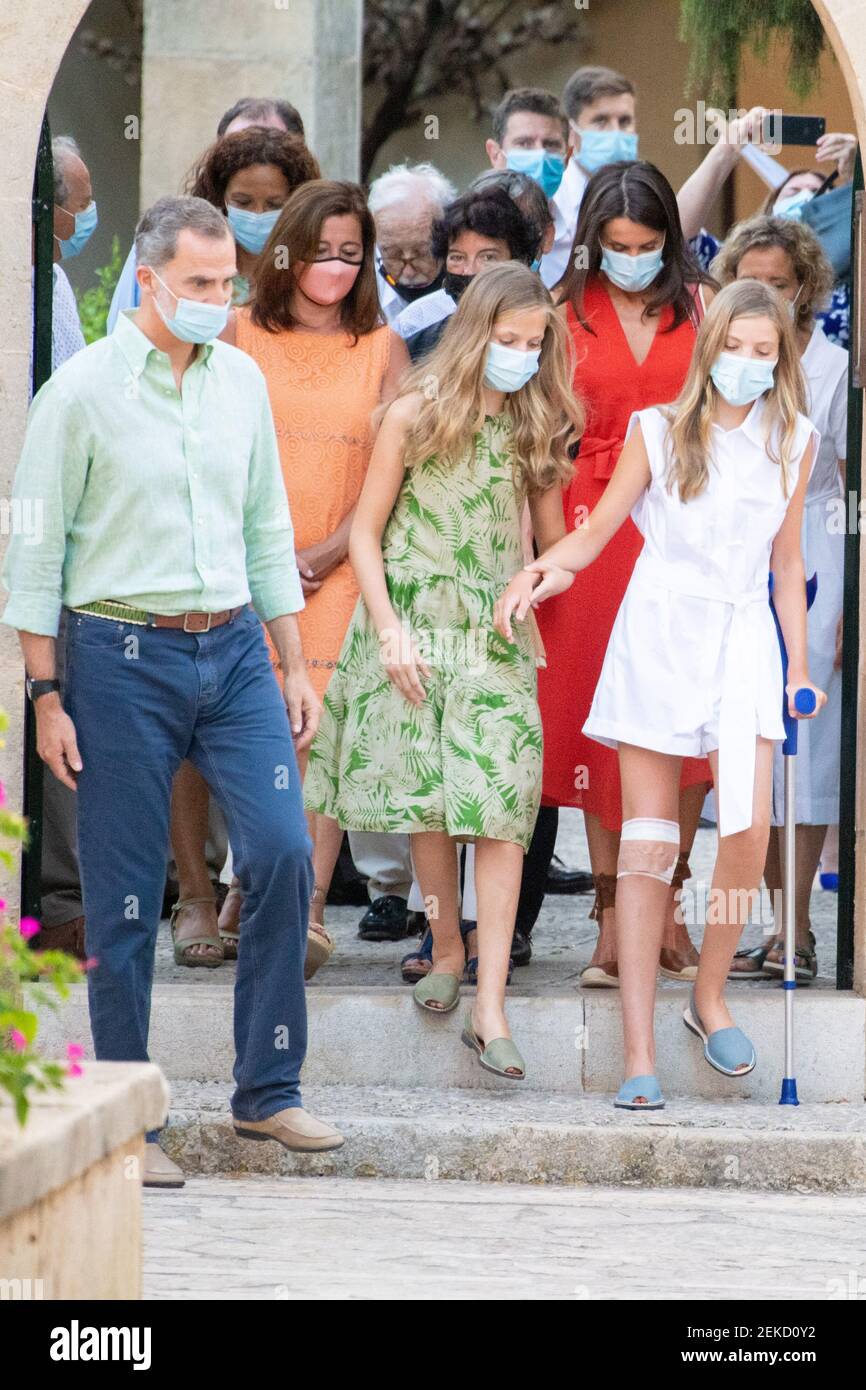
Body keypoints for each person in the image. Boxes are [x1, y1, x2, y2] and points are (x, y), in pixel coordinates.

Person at [2, 195, 344, 1186]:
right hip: (117, 655)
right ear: (146, 282)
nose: (215, 298)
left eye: (224, 282)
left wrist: (291, 662)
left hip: (234, 648)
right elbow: (35, 554)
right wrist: (47, 695)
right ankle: (125, 1119)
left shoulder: (238, 381)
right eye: (197, 284)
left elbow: (266, 527)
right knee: (118, 897)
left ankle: (267, 1094)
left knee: (281, 854)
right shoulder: (80, 393)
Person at [496, 278, 825, 1108]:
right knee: (649, 846)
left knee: (745, 833)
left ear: (782, 358)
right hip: (660, 633)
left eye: (765, 352)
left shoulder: (795, 438)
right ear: (709, 346)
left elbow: (787, 564)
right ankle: (637, 1049)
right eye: (735, 348)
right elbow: (596, 529)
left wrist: (798, 667)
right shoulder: (657, 429)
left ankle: (708, 998)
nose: (747, 364)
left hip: (745, 637)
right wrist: (539, 573)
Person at [305, 263, 582, 1076]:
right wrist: (388, 628)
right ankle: (448, 944)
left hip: (494, 633)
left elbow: (556, 538)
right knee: (427, 796)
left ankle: (489, 1002)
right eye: (509, 341)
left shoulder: (535, 425)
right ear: (473, 334)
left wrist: (536, 579)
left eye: (535, 344)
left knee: (500, 808)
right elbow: (365, 531)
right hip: (415, 623)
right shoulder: (413, 414)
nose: (523, 356)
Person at [525, 161, 715, 982]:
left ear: (669, 238)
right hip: (585, 528)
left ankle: (667, 908)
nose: (629, 257)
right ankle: (611, 923)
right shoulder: (563, 309)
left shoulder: (703, 305)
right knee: (603, 726)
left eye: (644, 245)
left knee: (685, 724)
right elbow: (539, 441)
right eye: (614, 245)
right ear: (593, 240)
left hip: (681, 523)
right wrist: (543, 553)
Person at [219, 179, 410, 969]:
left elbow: (396, 473)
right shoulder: (235, 334)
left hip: (340, 568)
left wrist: (328, 554)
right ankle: (249, 886)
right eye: (320, 251)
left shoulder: (383, 347)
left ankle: (304, 908)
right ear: (287, 251)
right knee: (253, 730)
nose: (333, 268)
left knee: (318, 733)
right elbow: (211, 453)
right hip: (245, 563)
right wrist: (261, 556)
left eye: (350, 254)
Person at [161, 127, 321, 967]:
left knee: (280, 731)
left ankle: (264, 899)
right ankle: (191, 896)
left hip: (298, 546)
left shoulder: (323, 294)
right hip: (203, 553)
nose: (257, 220)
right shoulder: (199, 313)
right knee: (190, 733)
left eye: (272, 205)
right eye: (243, 203)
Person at [710, 217, 846, 982]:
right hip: (733, 567)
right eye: (749, 281)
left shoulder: (830, 369)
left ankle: (795, 927)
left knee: (805, 751)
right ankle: (761, 923)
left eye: (781, 284)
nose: (766, 295)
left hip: (813, 566)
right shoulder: (723, 365)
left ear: (807, 291)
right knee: (750, 750)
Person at [28, 136, 91, 961]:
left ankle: (61, 907)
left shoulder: (55, 279)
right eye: (73, 202)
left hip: (50, 524)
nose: (81, 218)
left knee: (56, 705)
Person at [107, 96, 306, 331]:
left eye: (274, 203)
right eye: (243, 201)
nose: (258, 214)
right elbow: (124, 332)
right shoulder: (165, 238)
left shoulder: (312, 256)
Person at [678, 107, 856, 347]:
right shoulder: (731, 262)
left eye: (817, 193)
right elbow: (680, 231)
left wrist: (858, 178)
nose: (804, 198)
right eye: (793, 192)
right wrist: (727, 148)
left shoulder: (851, 275)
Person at [396, 185, 537, 359]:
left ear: (517, 259)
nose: (470, 270)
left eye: (488, 258)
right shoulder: (415, 322)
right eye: (457, 258)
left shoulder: (540, 322)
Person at [542, 65, 638, 289]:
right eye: (601, 121)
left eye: (624, 121)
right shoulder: (551, 196)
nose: (615, 132)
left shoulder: (644, 189)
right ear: (571, 130)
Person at [368, 161, 456, 324]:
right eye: (393, 255)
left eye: (422, 253)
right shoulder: (359, 282)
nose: (408, 273)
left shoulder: (470, 279)